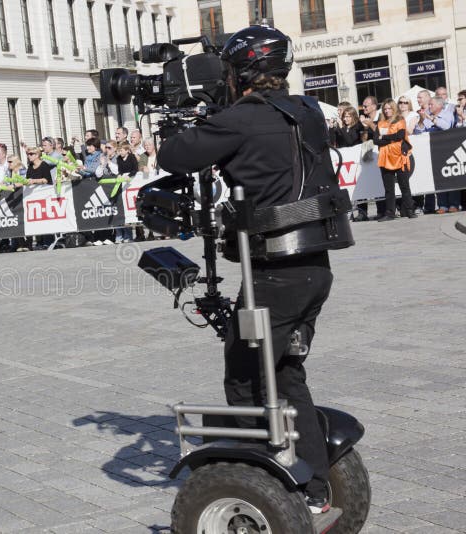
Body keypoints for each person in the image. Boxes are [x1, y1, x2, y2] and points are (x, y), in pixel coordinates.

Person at [158, 25, 352, 515]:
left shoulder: (240, 119)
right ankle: (313, 485)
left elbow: (174, 156)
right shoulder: (308, 111)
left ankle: (266, 482)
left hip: (274, 273)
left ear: (239, 71)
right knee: (286, 371)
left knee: (245, 377)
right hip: (315, 269)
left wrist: (193, 118)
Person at [374, 99, 414, 221]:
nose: (387, 111)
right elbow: (376, 140)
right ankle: (390, 212)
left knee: (404, 186)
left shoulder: (400, 120)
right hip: (385, 158)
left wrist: (384, 137)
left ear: (393, 108)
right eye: (385, 109)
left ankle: (409, 210)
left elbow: (400, 136)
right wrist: (390, 139)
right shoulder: (380, 124)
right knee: (389, 188)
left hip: (399, 156)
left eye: (389, 108)